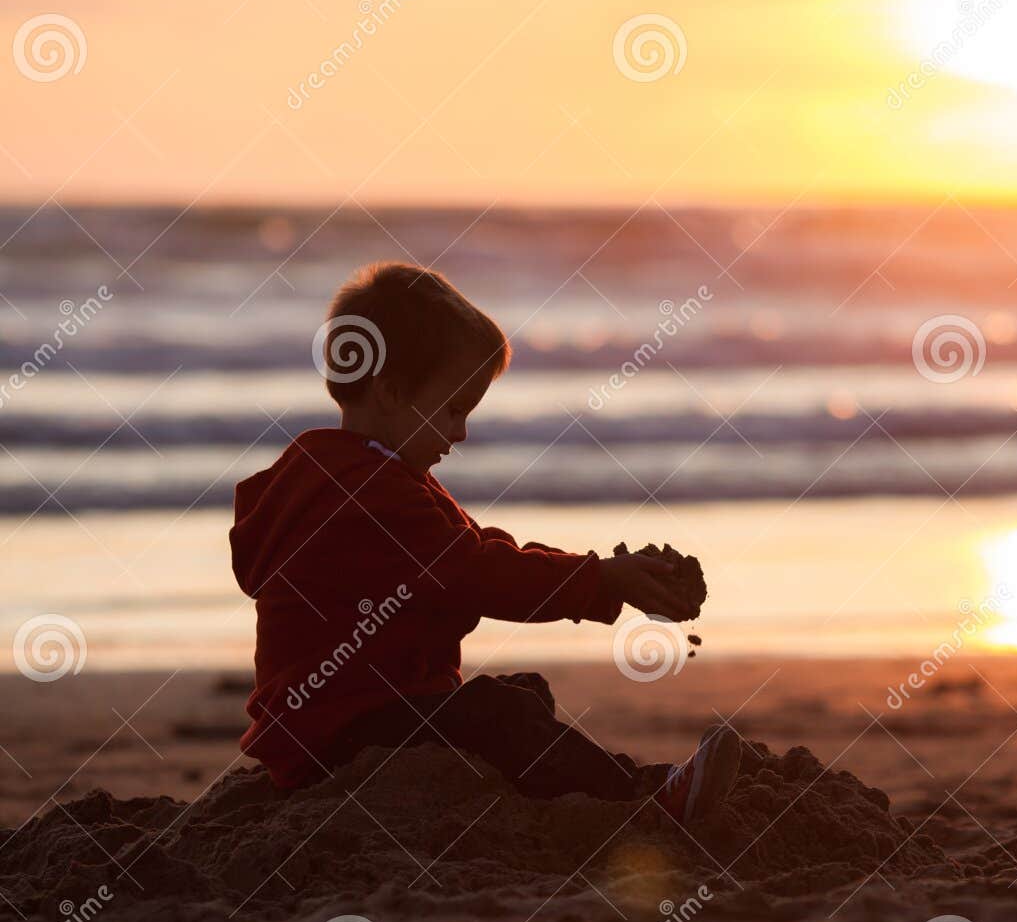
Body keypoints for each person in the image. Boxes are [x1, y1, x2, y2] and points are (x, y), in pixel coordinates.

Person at [228, 261, 738, 822]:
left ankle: (564, 793)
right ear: (393, 392)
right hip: (339, 732)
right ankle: (644, 798)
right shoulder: (365, 495)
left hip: (347, 720)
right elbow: (476, 573)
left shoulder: (357, 473)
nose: (460, 432)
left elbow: (477, 548)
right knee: (501, 714)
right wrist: (599, 581)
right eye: (452, 410)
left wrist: (599, 575)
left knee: (520, 697)